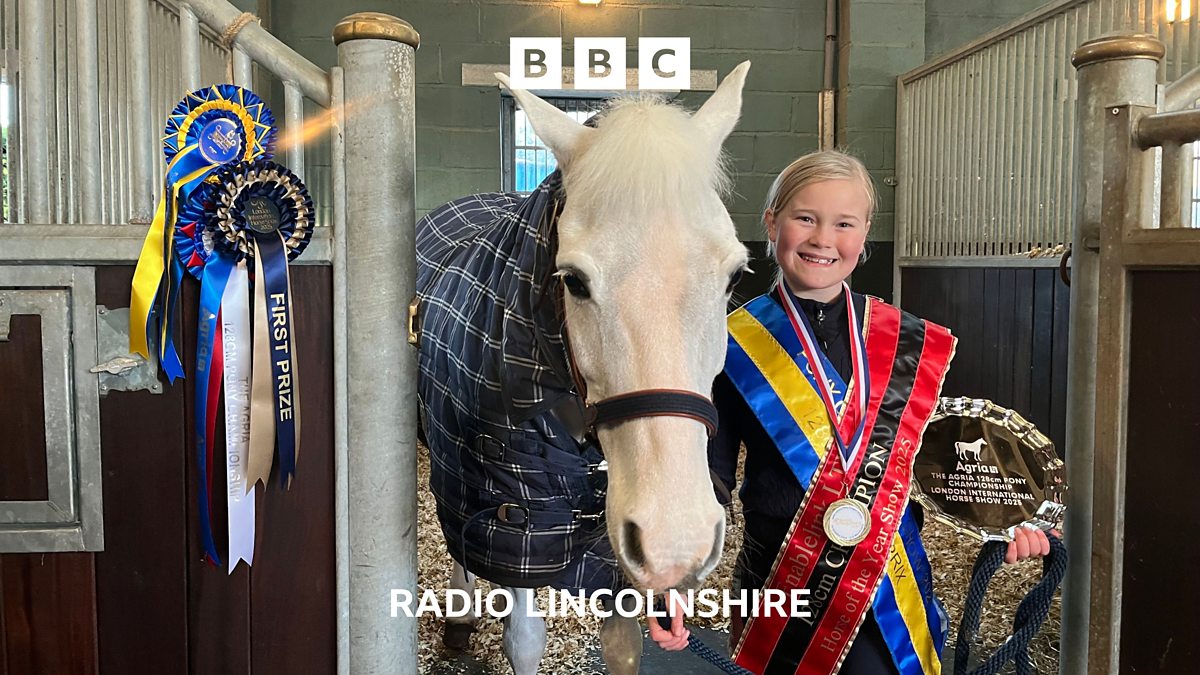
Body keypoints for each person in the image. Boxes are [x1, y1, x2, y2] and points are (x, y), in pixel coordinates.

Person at [647, 150, 1053, 674]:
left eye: (844, 223)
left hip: (888, 582)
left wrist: (1014, 519)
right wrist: (674, 579)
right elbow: (710, 476)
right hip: (778, 581)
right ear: (770, 223)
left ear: (864, 237)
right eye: (805, 218)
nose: (823, 238)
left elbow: (947, 460)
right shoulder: (728, 344)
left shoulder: (907, 342)